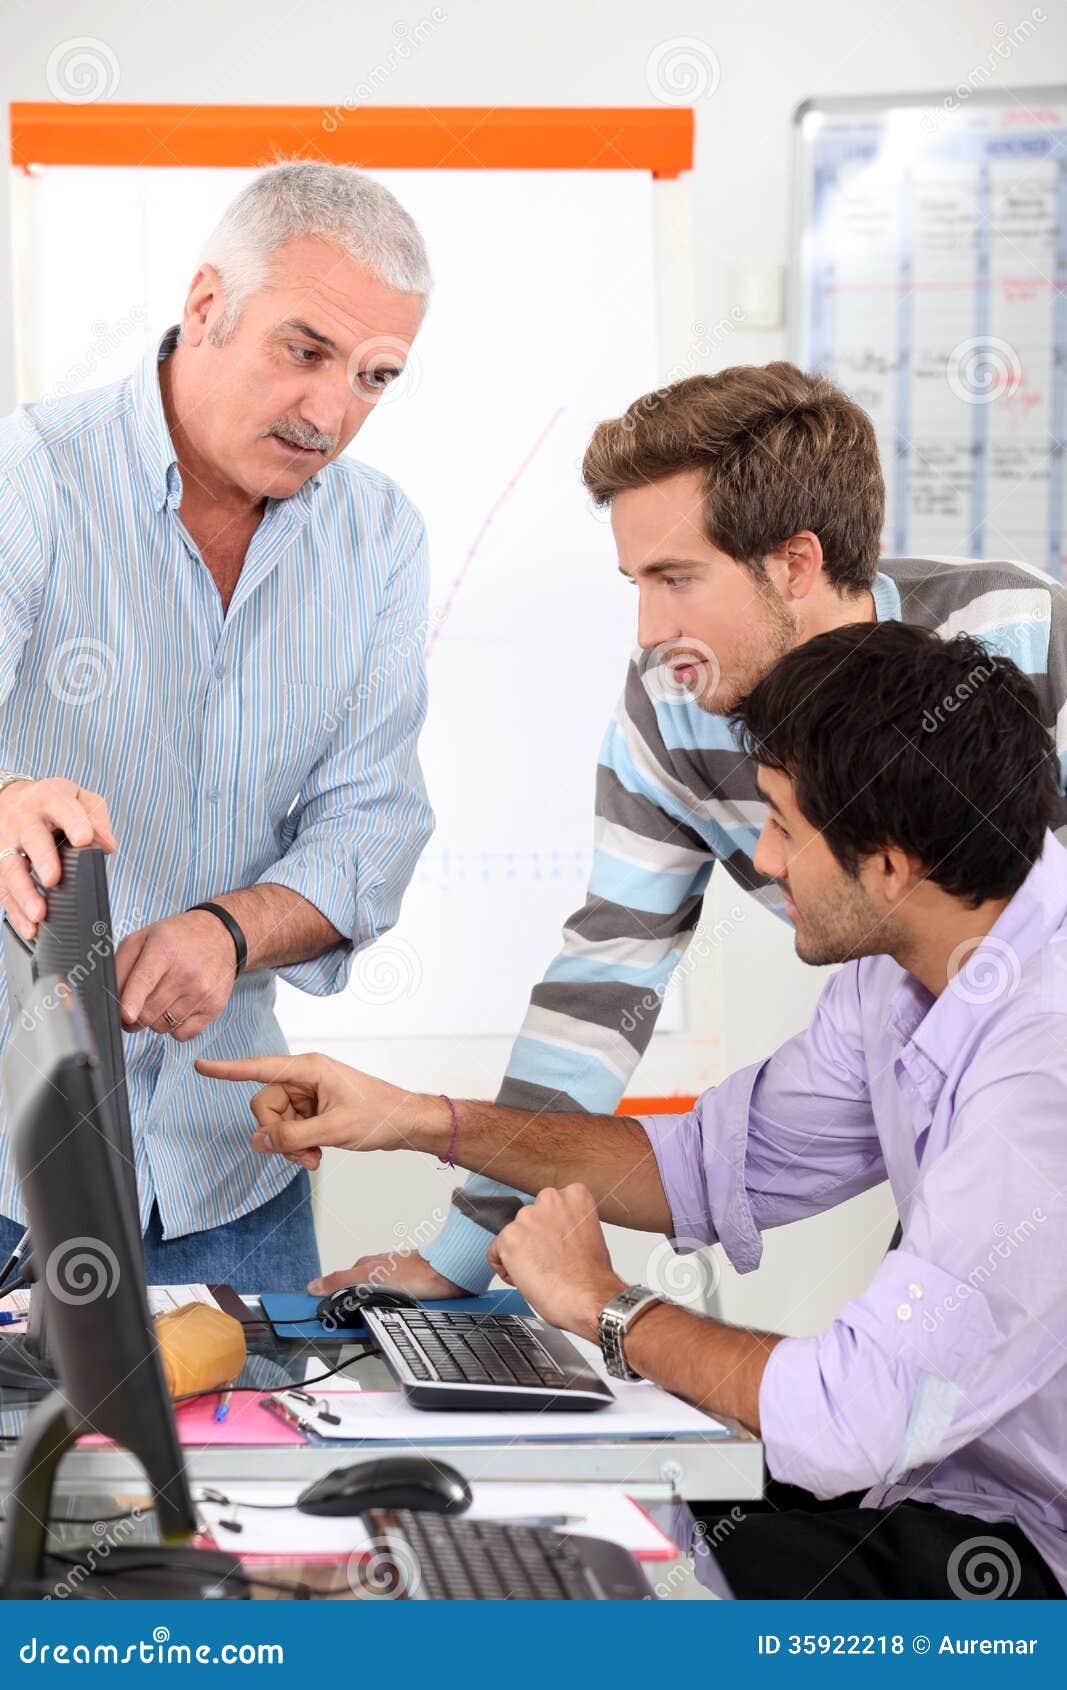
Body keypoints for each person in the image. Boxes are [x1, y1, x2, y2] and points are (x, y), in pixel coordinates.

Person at [197, 622, 1067, 1599]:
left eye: (783, 824)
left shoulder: (1037, 1083)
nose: (765, 860)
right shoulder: (909, 966)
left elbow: (849, 1417)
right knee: (583, 1514)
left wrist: (606, 1304)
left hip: (1026, 1551)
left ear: (891, 864)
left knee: (618, 1598)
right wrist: (416, 1117)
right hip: (933, 1483)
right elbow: (701, 1166)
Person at [318, 361, 1067, 1300]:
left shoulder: (1015, 636)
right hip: (944, 1133)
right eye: (636, 581)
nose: (645, 628)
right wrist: (464, 1259)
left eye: (676, 579)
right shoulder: (670, 709)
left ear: (794, 564)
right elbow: (604, 983)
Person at [0, 162, 434, 1289]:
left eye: (374, 377)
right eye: (304, 350)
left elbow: (371, 827)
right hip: (11, 1173)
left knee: (276, 1472)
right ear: (205, 306)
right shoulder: (30, 477)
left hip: (230, 1181)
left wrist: (226, 933)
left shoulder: (380, 537)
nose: (329, 412)